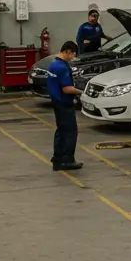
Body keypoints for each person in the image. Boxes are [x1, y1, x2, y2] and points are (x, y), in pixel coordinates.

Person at [45, 41, 84, 171]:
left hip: (56, 102)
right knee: (70, 132)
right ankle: (67, 160)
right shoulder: (62, 67)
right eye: (73, 54)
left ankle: (57, 158)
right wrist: (81, 92)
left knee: (60, 131)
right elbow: (67, 88)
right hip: (64, 103)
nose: (73, 57)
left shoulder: (53, 64)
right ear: (67, 51)